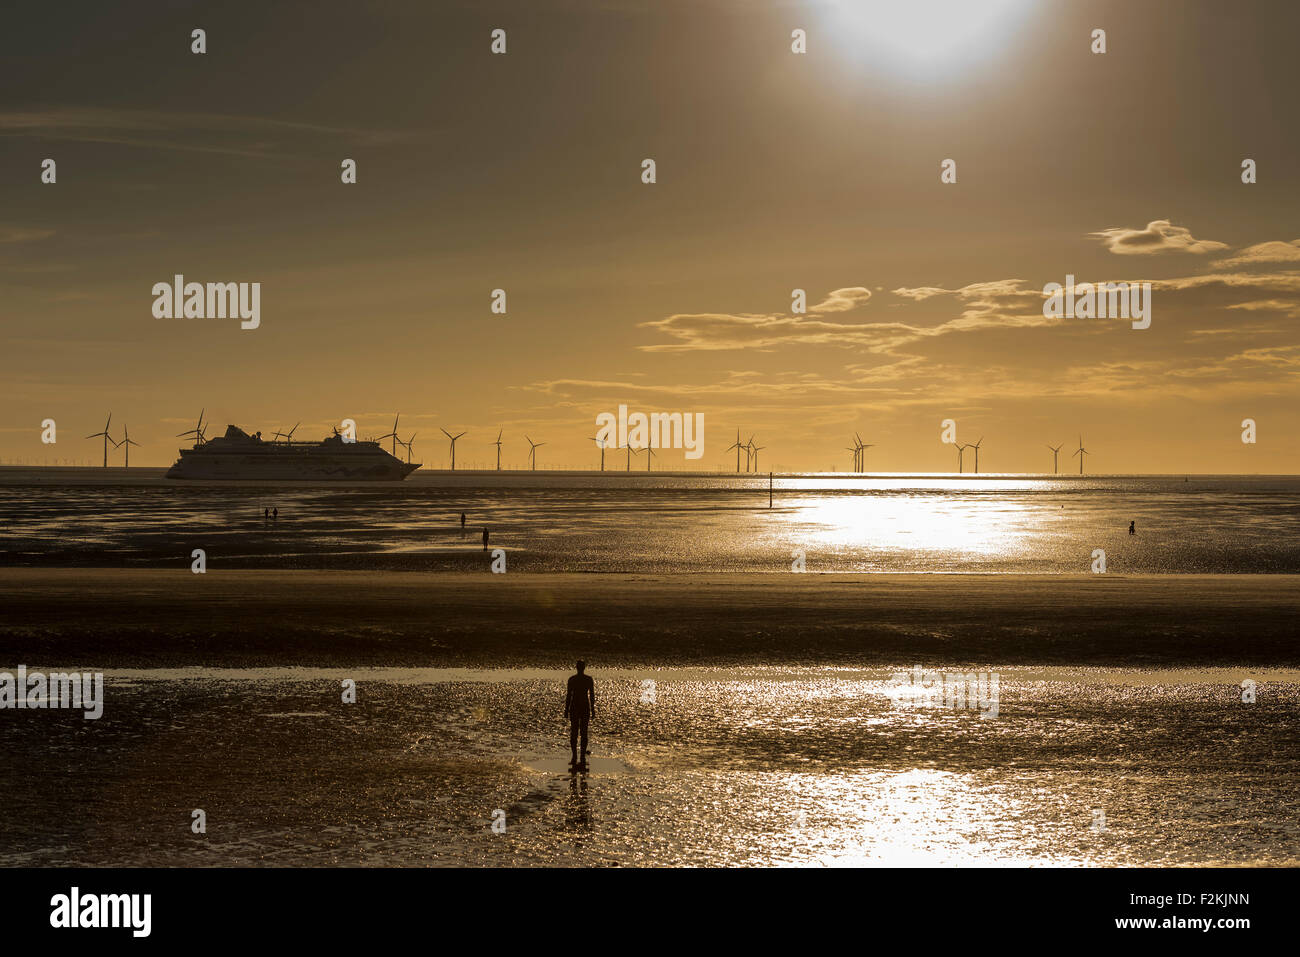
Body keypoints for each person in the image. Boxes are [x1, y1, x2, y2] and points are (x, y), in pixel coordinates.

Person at [564, 661, 596, 770]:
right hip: (583, 707)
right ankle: (580, 756)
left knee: (575, 731)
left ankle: (575, 756)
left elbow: (569, 695)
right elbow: (591, 695)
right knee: (583, 732)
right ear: (584, 668)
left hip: (575, 707)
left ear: (577, 668)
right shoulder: (588, 679)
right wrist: (593, 709)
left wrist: (566, 709)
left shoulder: (572, 679)